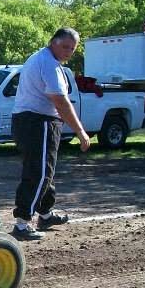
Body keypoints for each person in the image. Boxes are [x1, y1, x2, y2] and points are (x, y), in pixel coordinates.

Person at [10, 27, 91, 242]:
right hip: (38, 122)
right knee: (39, 173)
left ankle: (45, 214)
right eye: (65, 46)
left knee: (44, 170)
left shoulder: (42, 58)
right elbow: (61, 102)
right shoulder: (49, 64)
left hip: (28, 121)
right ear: (53, 41)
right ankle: (21, 223)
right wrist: (80, 131)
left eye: (72, 49)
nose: (68, 52)